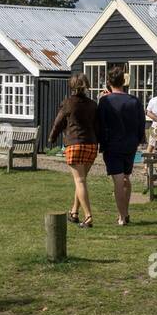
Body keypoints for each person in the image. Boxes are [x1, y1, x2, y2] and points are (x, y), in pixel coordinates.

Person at [49, 73, 101, 228]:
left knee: (80, 181)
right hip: (91, 145)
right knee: (81, 181)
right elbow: (97, 126)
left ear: (71, 86)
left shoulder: (68, 103)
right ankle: (74, 213)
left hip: (75, 144)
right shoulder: (93, 104)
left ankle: (88, 217)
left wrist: (52, 138)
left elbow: (58, 122)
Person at [97, 65, 144, 226]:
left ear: (108, 82)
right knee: (126, 178)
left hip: (112, 145)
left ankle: (122, 216)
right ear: (124, 81)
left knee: (118, 180)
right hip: (130, 145)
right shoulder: (135, 101)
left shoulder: (105, 101)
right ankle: (126, 212)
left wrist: (101, 143)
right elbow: (141, 124)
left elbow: (100, 124)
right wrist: (138, 140)